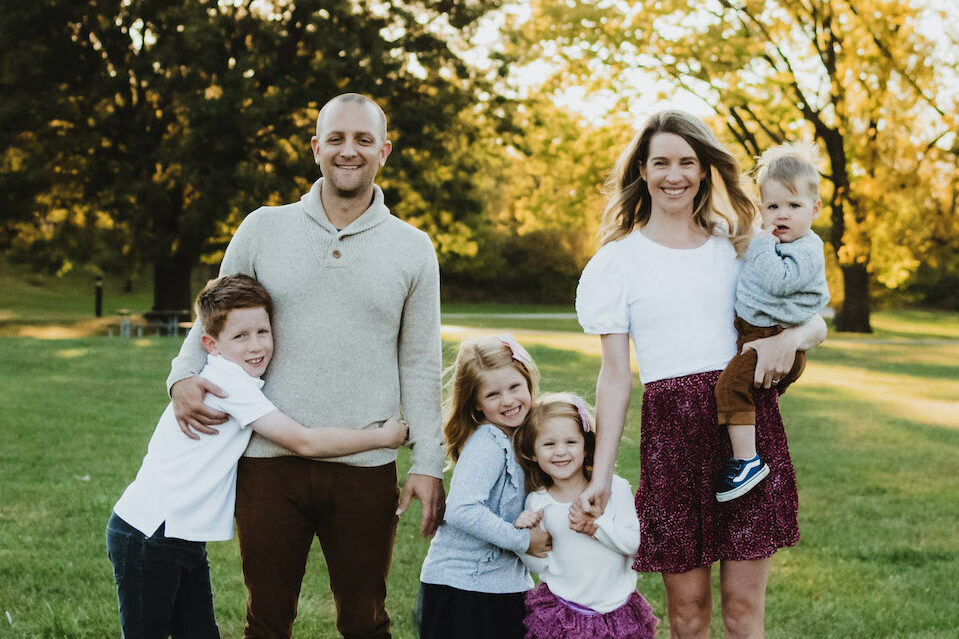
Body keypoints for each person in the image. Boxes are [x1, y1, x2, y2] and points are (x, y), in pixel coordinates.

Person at [165, 93, 445, 639]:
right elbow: (213, 318)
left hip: (367, 465)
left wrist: (428, 461)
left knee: (366, 622)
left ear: (383, 151)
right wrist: (180, 378)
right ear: (316, 148)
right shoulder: (263, 228)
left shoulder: (413, 248)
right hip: (268, 462)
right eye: (336, 139)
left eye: (363, 139)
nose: (349, 150)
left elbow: (419, 360)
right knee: (266, 622)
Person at [573, 111, 827, 639]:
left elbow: (816, 322)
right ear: (642, 170)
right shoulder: (618, 262)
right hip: (672, 441)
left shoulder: (738, 245)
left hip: (746, 440)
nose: (674, 175)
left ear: (705, 169)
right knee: (688, 618)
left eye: (687, 162)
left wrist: (787, 340)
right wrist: (599, 476)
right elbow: (615, 377)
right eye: (661, 162)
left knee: (742, 613)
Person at [107, 274, 408, 639]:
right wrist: (380, 436)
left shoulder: (231, 378)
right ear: (210, 344)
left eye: (262, 332)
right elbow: (305, 441)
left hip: (181, 537)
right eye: (240, 336)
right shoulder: (228, 383)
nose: (256, 346)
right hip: (148, 535)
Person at [713, 142, 830, 502]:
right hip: (760, 334)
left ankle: (747, 461)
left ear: (815, 209)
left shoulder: (807, 248)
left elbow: (780, 281)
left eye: (793, 206)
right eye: (773, 206)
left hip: (772, 337)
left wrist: (759, 244)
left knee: (729, 389)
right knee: (743, 396)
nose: (782, 215)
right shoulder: (777, 242)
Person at [417, 335, 551, 639]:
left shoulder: (523, 438)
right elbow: (462, 510)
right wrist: (522, 540)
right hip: (464, 588)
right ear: (476, 404)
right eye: (493, 394)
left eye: (515, 387)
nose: (508, 400)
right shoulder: (489, 443)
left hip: (502, 585)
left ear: (528, 382)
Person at [513, 393, 659, 639]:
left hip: (618, 611)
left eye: (571, 442)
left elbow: (635, 546)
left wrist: (596, 525)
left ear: (586, 446)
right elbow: (542, 566)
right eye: (549, 444)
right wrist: (522, 540)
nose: (561, 451)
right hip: (565, 612)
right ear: (533, 453)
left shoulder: (614, 489)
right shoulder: (538, 502)